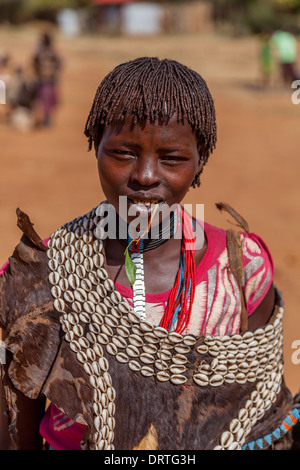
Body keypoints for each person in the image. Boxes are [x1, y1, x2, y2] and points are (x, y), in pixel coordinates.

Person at [0, 57, 299, 451]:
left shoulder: (241, 271)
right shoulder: (42, 275)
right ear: (95, 145)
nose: (144, 175)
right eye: (123, 152)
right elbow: (15, 421)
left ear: (201, 158)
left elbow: (263, 410)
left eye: (172, 158)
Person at [32, 32, 61, 127]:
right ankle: (46, 119)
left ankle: (46, 119)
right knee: (47, 101)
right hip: (47, 80)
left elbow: (34, 62)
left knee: (45, 100)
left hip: (46, 81)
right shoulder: (52, 52)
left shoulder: (43, 52)